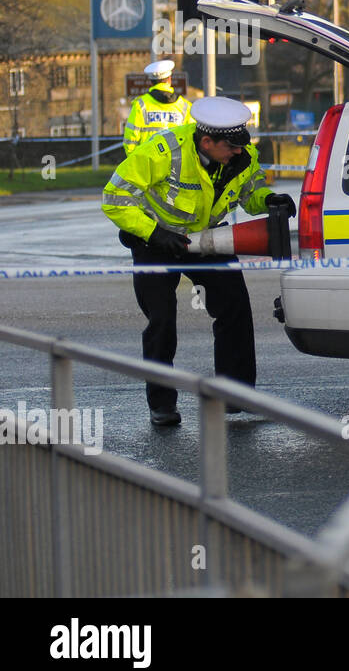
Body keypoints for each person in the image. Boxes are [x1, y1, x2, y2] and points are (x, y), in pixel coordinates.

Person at [101, 96, 296, 427]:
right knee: (162, 321)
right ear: (206, 142)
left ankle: (236, 395)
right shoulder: (162, 152)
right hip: (156, 243)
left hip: (209, 239)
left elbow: (249, 195)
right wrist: (154, 233)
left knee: (234, 309)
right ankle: (162, 404)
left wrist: (269, 200)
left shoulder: (242, 156)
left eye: (241, 145)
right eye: (230, 147)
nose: (238, 152)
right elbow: (113, 197)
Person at [123, 59, 193, 153]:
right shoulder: (185, 106)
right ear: (169, 79)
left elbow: (130, 140)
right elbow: (192, 138)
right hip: (177, 161)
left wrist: (136, 160)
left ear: (151, 82)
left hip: (149, 160)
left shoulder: (141, 105)